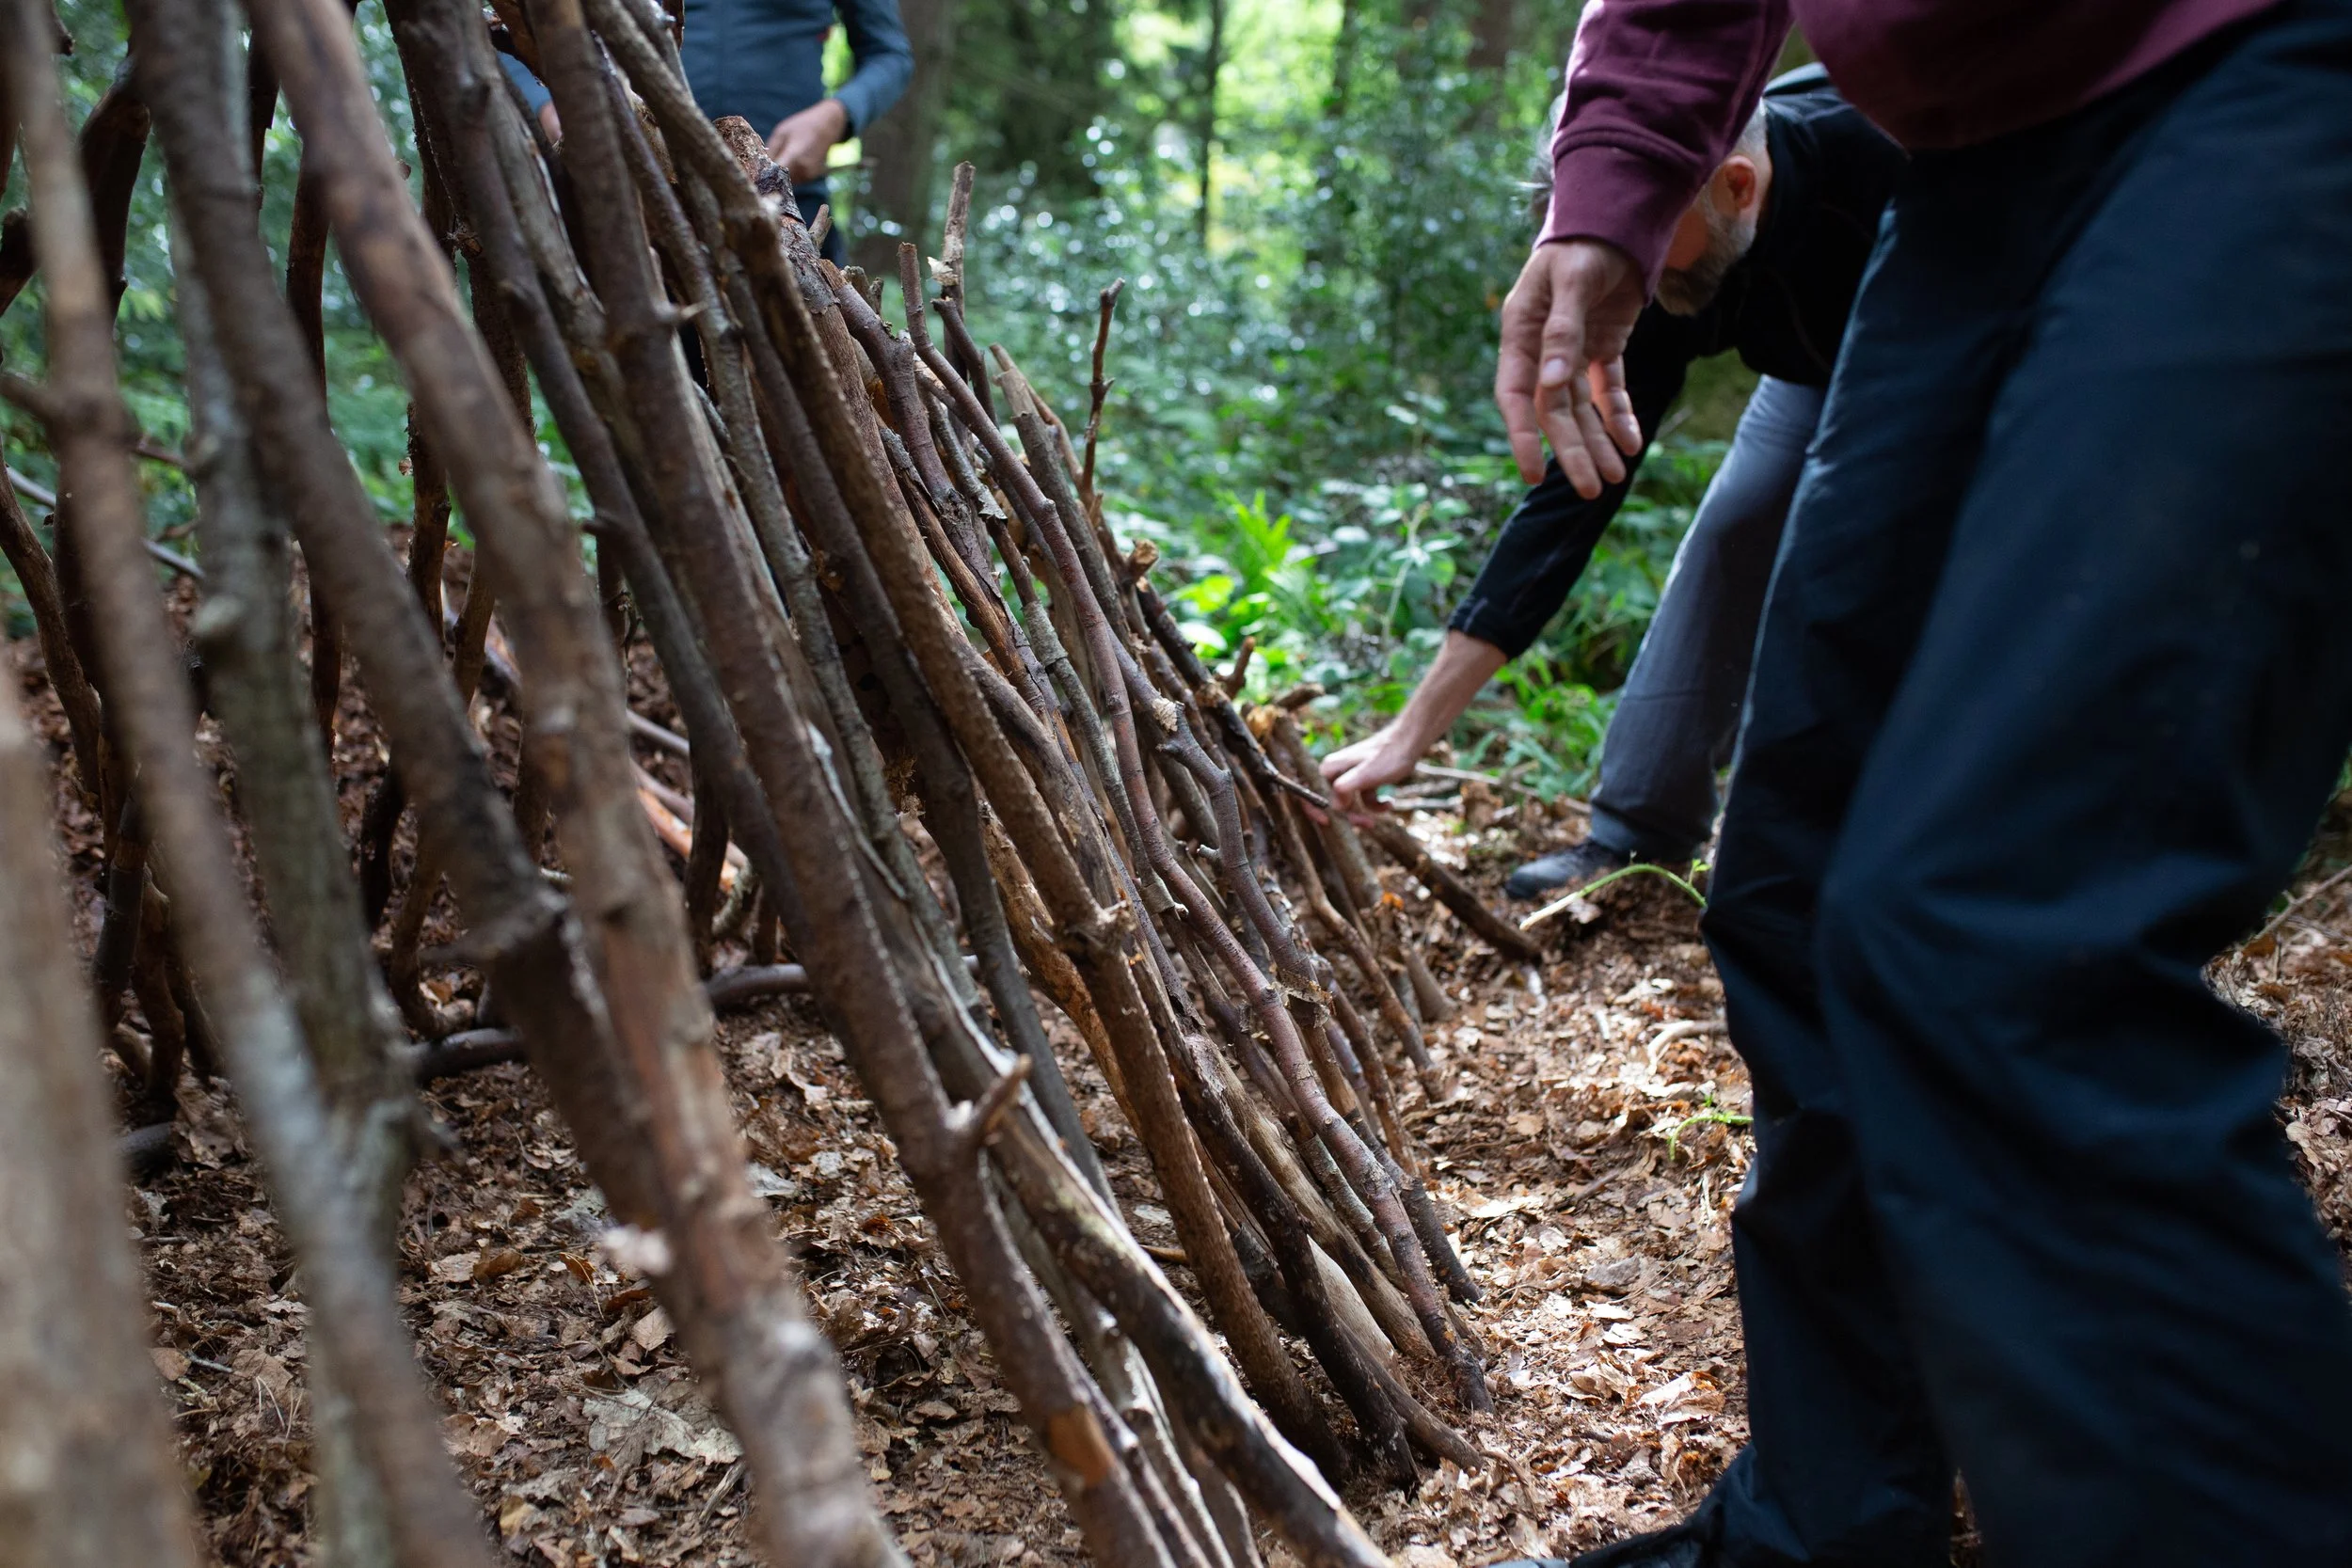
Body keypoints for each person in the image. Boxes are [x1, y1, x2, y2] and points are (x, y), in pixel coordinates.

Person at [1489, 2, 2352, 1566]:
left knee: (2004, 919)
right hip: (1974, 161)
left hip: (2268, 75)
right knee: (1800, 888)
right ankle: (1828, 1523)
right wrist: (1613, 176)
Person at [1319, 70, 1902, 905]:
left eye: (1650, 249)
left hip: (1963, 342)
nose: (1634, 271)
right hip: (1811, 370)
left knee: (1859, 553)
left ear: (1739, 188)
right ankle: (1639, 831)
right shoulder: (1653, 245)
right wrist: (1413, 729)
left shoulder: (1881, 156)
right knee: (1738, 525)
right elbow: (1573, 496)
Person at [501, 0, 912, 261]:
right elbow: (508, 27)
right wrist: (550, 107)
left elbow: (889, 55)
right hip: (633, 207)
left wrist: (837, 114)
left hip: (787, 208)